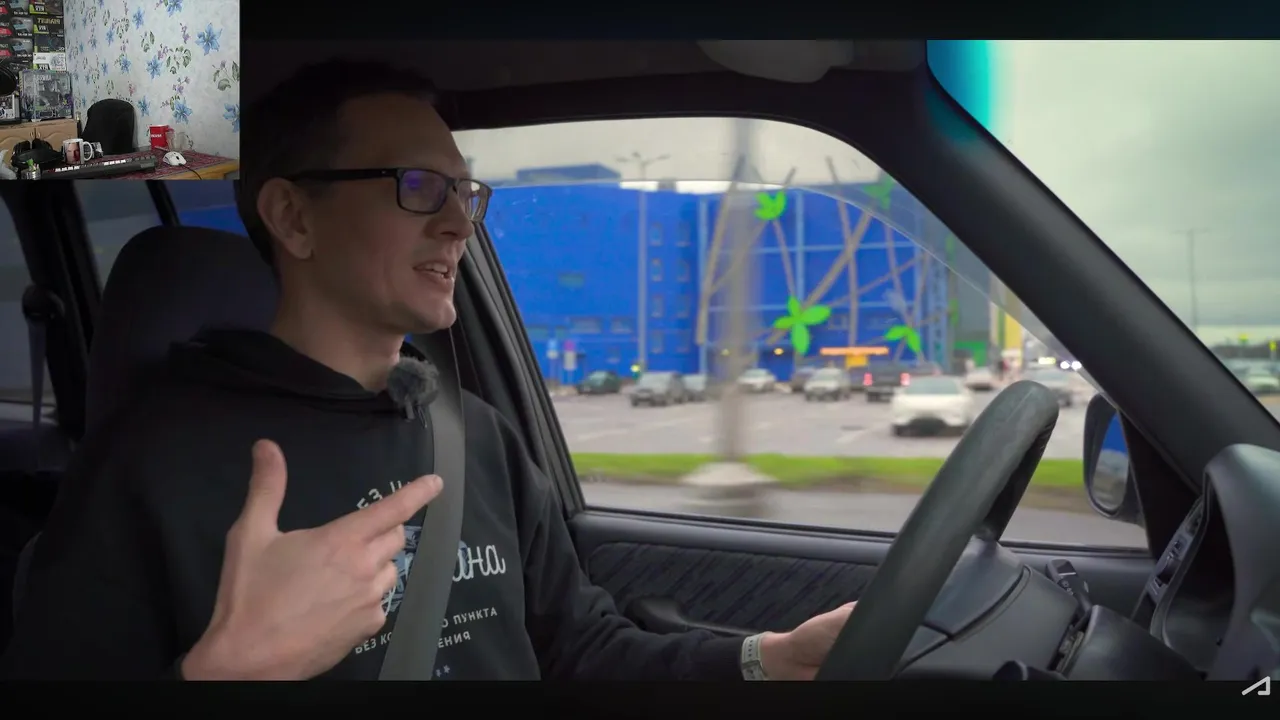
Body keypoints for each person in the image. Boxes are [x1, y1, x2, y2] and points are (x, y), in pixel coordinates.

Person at [1, 60, 855, 681]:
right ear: (293, 217)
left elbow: (580, 649)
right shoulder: (151, 462)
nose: (459, 224)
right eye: (417, 185)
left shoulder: (471, 432)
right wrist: (236, 672)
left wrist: (767, 660)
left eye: (464, 192)